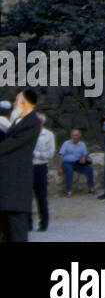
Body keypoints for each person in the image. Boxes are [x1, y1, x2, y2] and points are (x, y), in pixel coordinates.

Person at [0, 90, 41, 242]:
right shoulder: (18, 121)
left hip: (17, 186)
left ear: (26, 102)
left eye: (17, 100)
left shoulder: (32, 122)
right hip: (8, 185)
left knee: (17, 231)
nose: (14, 103)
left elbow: (13, 144)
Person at [32, 114, 54, 232]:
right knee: (27, 195)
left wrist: (37, 154)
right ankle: (28, 222)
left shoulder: (49, 135)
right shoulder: (29, 134)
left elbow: (50, 154)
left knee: (41, 195)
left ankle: (44, 222)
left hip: (41, 166)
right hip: (29, 166)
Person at [59, 129, 94, 195]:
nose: (75, 137)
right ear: (71, 136)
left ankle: (91, 187)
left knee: (89, 168)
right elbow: (61, 155)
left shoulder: (82, 144)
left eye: (76, 135)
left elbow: (85, 154)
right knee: (69, 170)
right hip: (67, 162)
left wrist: (84, 158)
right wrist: (60, 167)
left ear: (79, 136)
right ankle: (69, 190)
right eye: (73, 135)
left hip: (78, 162)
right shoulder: (66, 143)